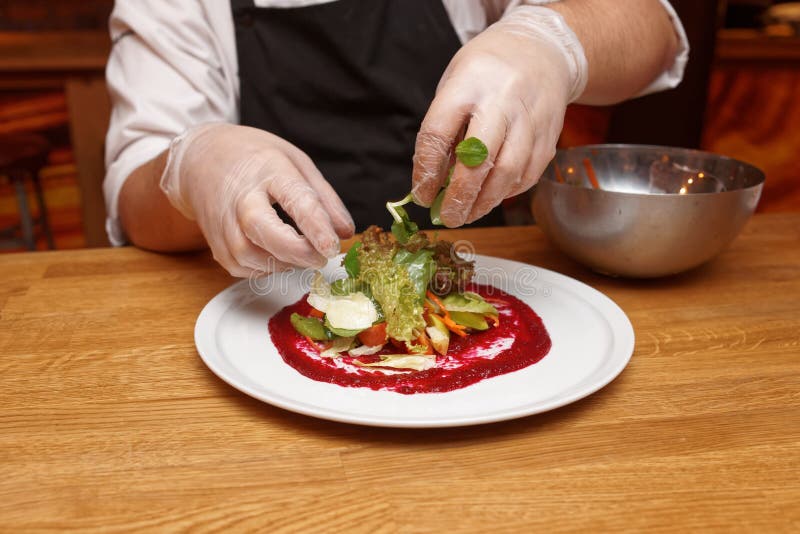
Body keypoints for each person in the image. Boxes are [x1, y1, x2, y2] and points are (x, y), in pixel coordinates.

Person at [105, 0, 688, 277]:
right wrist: (195, 166)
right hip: (271, 295)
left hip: (479, 270)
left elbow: (653, 29)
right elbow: (135, 200)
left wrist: (550, 42)